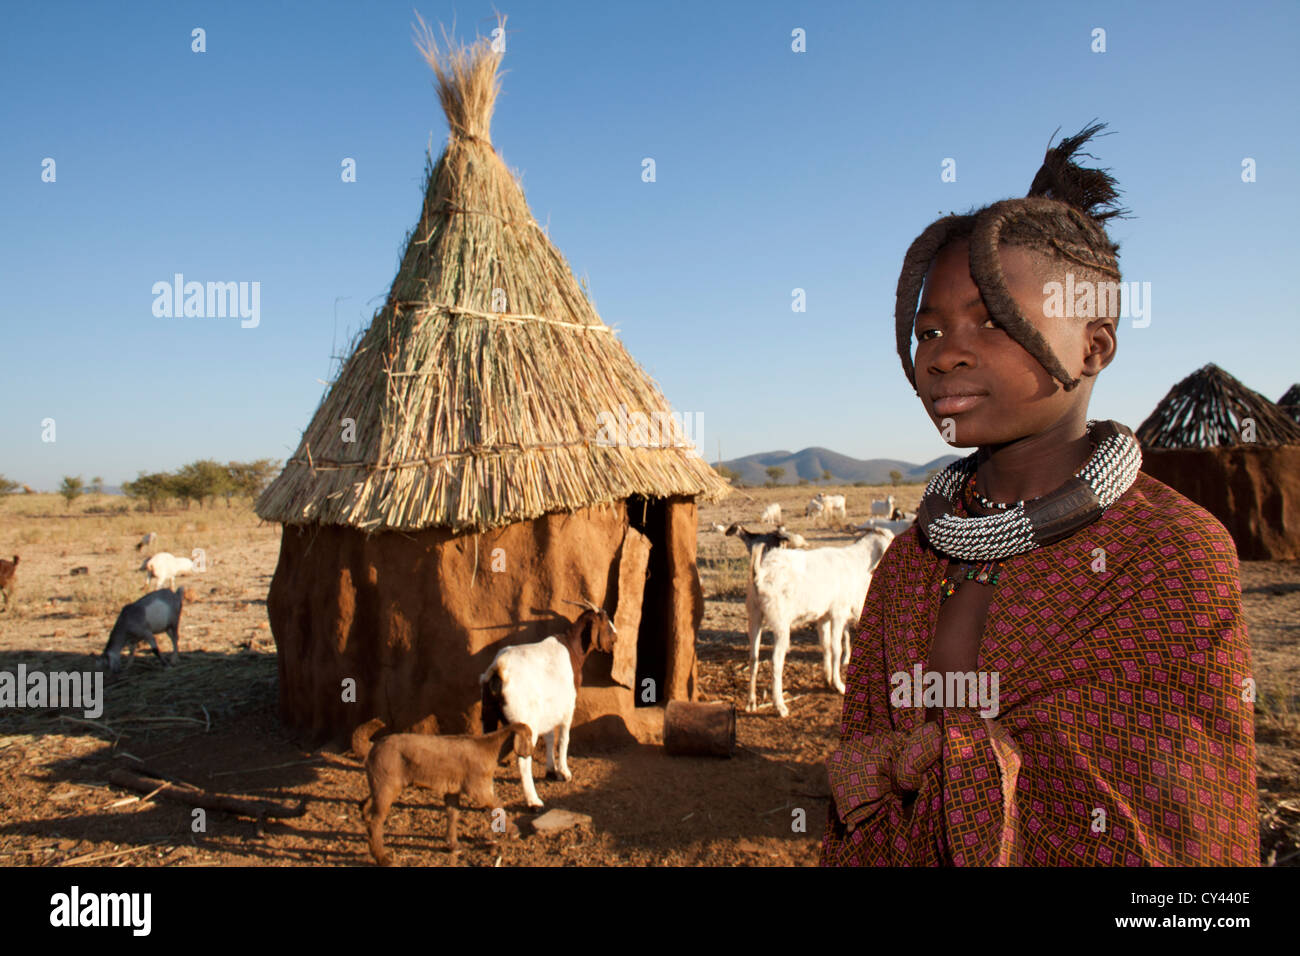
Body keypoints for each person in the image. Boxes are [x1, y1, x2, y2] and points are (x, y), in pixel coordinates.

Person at [820, 124, 1258, 866]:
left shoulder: (1171, 556)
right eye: (928, 331)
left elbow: (1185, 836)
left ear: (1095, 346)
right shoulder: (907, 563)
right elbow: (862, 770)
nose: (945, 353)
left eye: (990, 321)